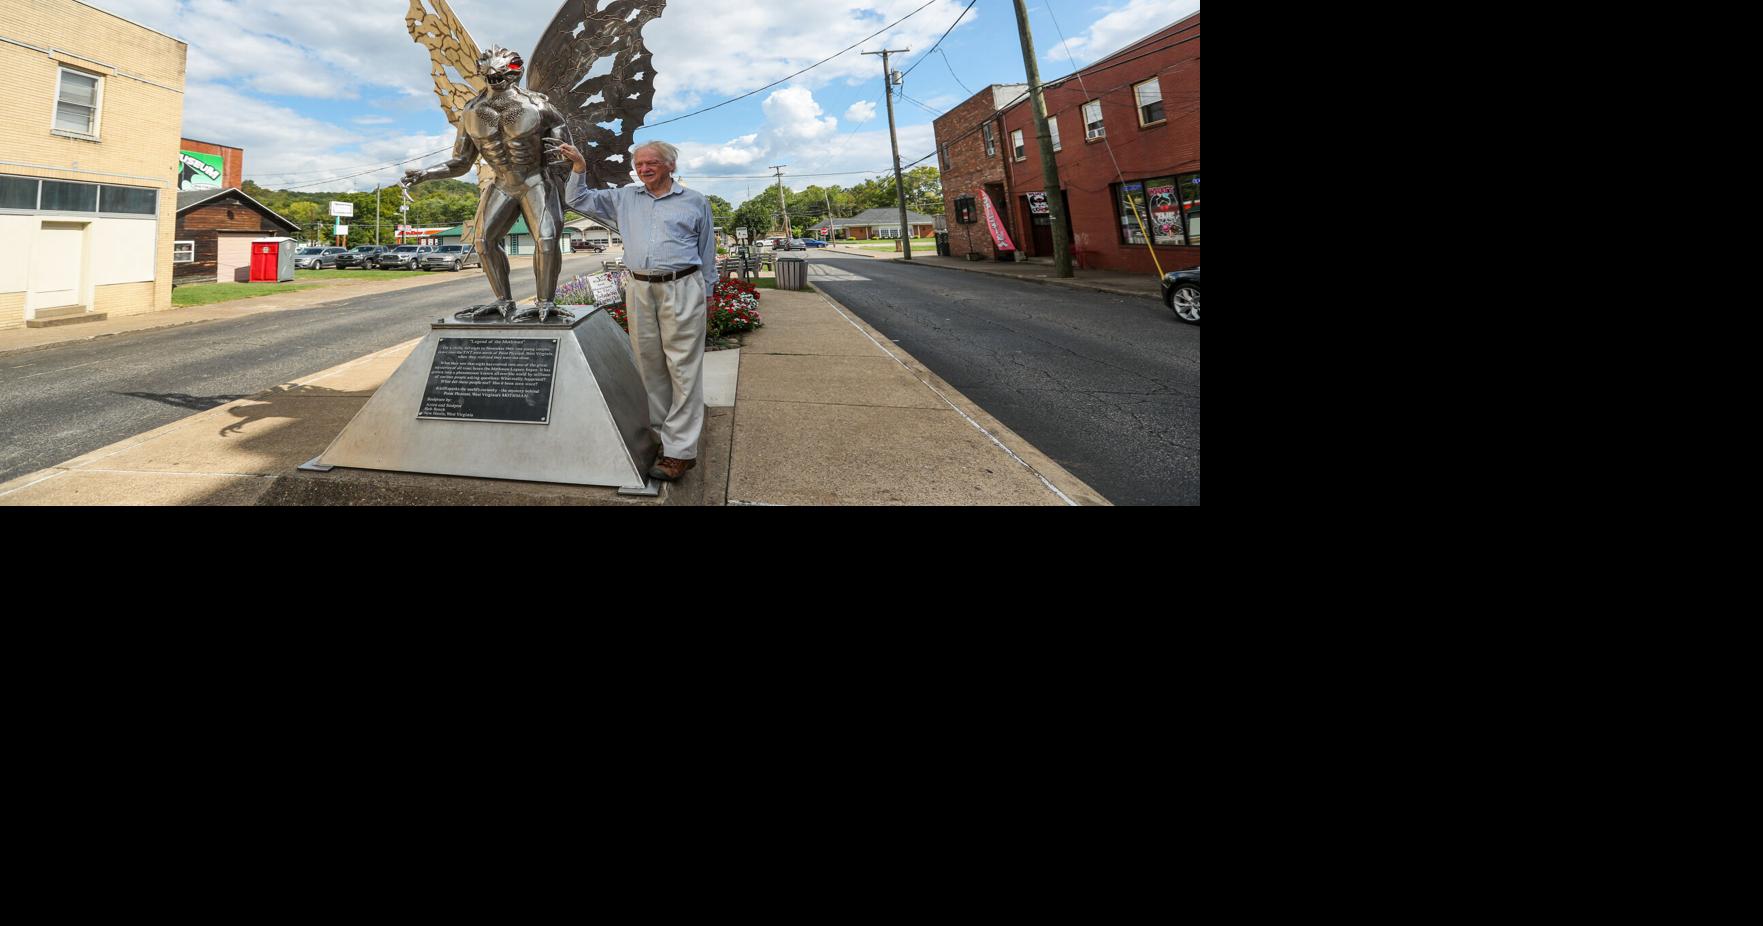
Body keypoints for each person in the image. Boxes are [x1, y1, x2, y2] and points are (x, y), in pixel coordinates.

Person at [550, 138, 715, 482]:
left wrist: (709, 294)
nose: (644, 169)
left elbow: (707, 251)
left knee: (683, 368)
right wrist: (579, 168)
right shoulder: (624, 197)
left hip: (682, 285)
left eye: (651, 163)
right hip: (639, 287)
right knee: (649, 365)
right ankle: (661, 437)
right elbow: (577, 199)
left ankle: (680, 451)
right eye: (639, 165)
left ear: (670, 165)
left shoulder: (695, 201)